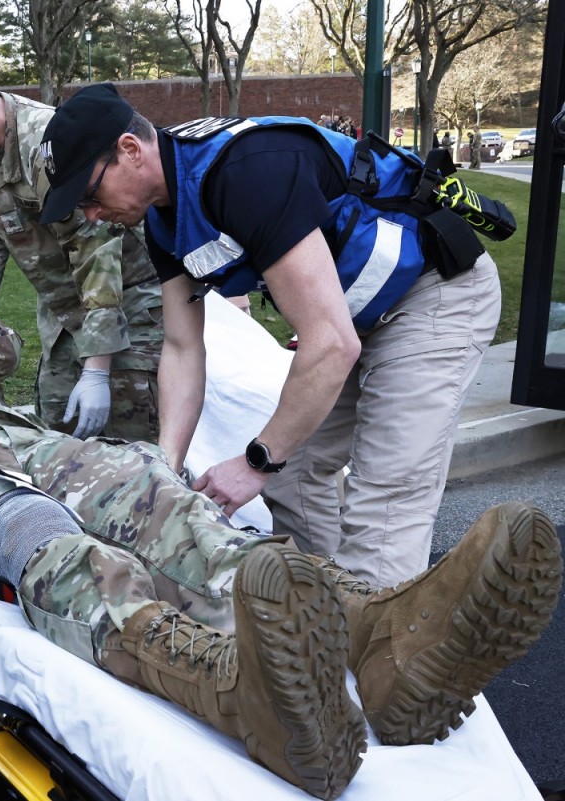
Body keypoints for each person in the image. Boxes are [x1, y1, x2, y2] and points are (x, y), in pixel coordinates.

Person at [0, 218, 561, 801]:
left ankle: (377, 636)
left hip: (17, 438)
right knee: (61, 551)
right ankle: (234, 691)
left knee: (158, 489)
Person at [36, 83, 503, 587]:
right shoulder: (164, 220)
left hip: (432, 294)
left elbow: (330, 345)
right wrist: (166, 470)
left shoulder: (244, 174)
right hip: (355, 317)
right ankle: (323, 608)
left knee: (383, 499)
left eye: (88, 193)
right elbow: (182, 346)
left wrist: (256, 461)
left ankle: (382, 649)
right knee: (295, 477)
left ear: (130, 150)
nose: (88, 214)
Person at [0, 49, 163, 442]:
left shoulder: (46, 142)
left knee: (134, 440)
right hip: (63, 315)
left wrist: (98, 370)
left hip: (128, 306)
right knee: (56, 433)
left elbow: (95, 251)